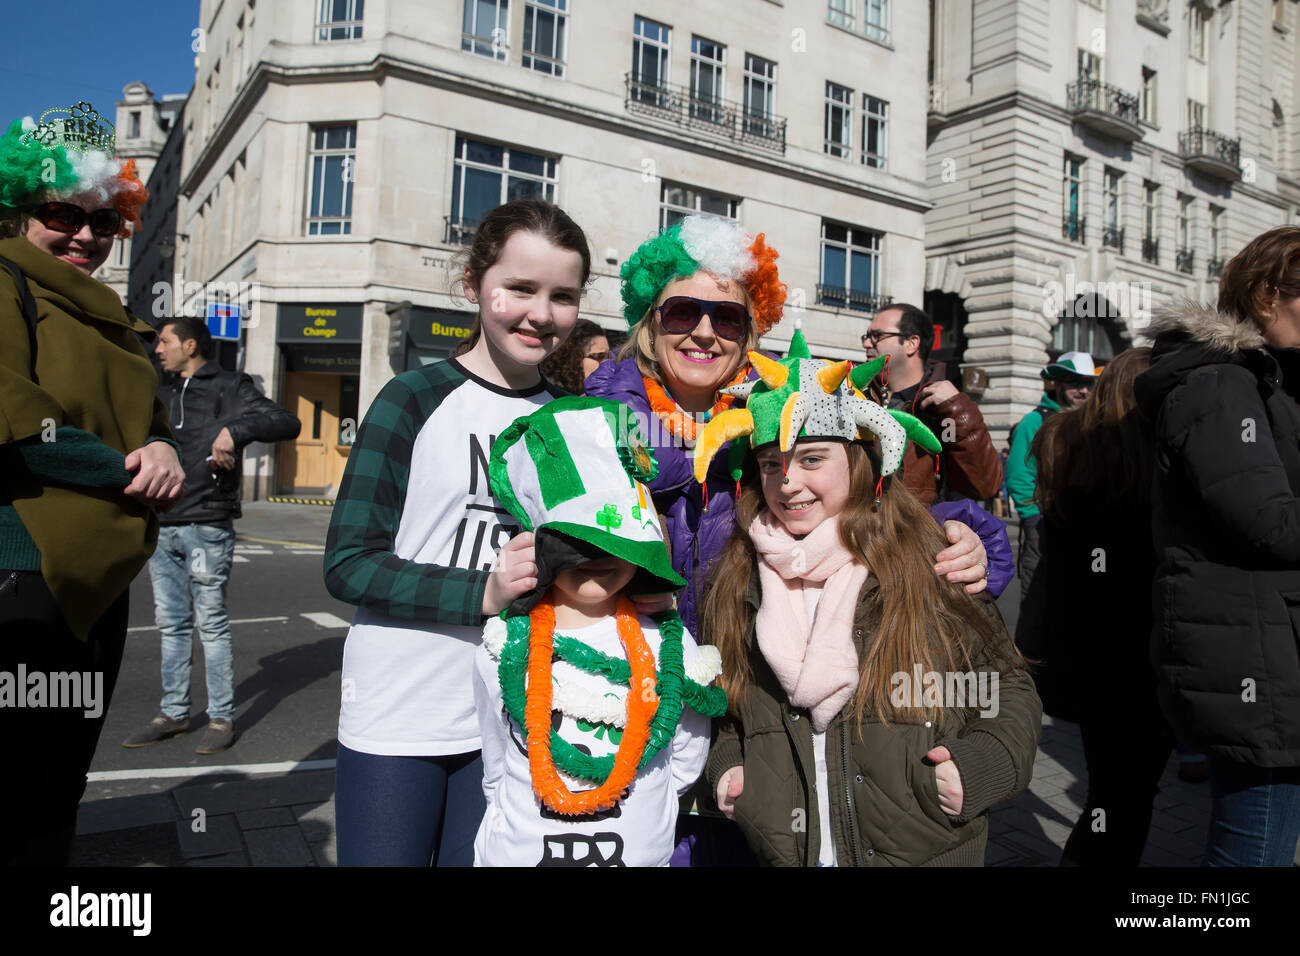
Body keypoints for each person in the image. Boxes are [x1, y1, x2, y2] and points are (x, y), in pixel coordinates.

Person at [584, 215, 1010, 864]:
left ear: (749, 332)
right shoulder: (589, 426)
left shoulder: (779, 415)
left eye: (726, 318)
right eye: (683, 312)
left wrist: (968, 533)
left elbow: (875, 497)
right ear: (649, 319)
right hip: (624, 714)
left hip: (753, 722)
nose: (704, 330)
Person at [695, 330, 1042, 866]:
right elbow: (724, 707)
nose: (788, 484)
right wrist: (729, 766)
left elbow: (1005, 685)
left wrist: (979, 767)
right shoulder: (739, 575)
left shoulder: (926, 559)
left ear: (858, 463)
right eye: (771, 464)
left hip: (922, 848)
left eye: (812, 459)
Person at [323, 199, 589, 866]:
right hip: (399, 710)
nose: (540, 314)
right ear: (474, 285)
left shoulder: (573, 423)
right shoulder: (411, 397)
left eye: (563, 296)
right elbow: (349, 564)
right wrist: (485, 592)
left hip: (518, 715)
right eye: (520, 288)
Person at [0, 104, 185, 864]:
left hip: (99, 580)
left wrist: (164, 448)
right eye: (61, 214)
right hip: (22, 570)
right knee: (16, 783)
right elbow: (15, 414)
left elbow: (144, 419)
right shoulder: (6, 281)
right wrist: (128, 470)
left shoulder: (112, 313)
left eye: (104, 223)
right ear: (19, 210)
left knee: (55, 784)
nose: (84, 235)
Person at [474, 396, 722, 866]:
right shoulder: (506, 645)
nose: (595, 562)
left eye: (615, 546)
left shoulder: (668, 645)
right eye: (575, 546)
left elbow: (686, 754)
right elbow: (496, 753)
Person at [1134, 226, 1300, 867]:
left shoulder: (1255, 380)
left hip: (1263, 641)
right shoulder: (1221, 385)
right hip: (1253, 653)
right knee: (1253, 851)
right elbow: (1268, 521)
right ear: (1266, 296)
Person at [121, 317, 301, 754]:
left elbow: (285, 422)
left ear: (190, 344)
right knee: (171, 624)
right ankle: (174, 712)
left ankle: (221, 718)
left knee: (212, 624)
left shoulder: (228, 386)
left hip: (207, 524)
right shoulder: (157, 391)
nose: (158, 350)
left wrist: (234, 430)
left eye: (164, 342)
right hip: (162, 524)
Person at [1028, 348, 1174, 866]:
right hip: (1135, 662)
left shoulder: (1076, 457)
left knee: (1109, 793)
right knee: (1125, 799)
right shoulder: (1143, 474)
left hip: (1088, 659)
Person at [861, 302, 1002, 507]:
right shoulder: (857, 396)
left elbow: (984, 485)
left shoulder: (944, 407)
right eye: (866, 337)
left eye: (877, 336)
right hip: (857, 531)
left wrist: (957, 409)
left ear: (911, 343)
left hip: (918, 533)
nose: (867, 344)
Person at [1006, 350, 1099, 628]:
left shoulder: (1096, 421)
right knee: (1039, 602)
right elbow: (1019, 476)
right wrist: (1033, 517)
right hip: (1045, 525)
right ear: (1057, 383)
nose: (1082, 390)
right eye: (1073, 383)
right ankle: (1031, 666)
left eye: (1087, 383)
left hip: (1088, 527)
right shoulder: (1035, 422)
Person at [539, 317, 610, 394]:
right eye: (600, 356)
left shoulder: (610, 393)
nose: (607, 363)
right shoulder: (548, 398)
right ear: (573, 358)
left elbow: (621, 406)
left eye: (609, 356)